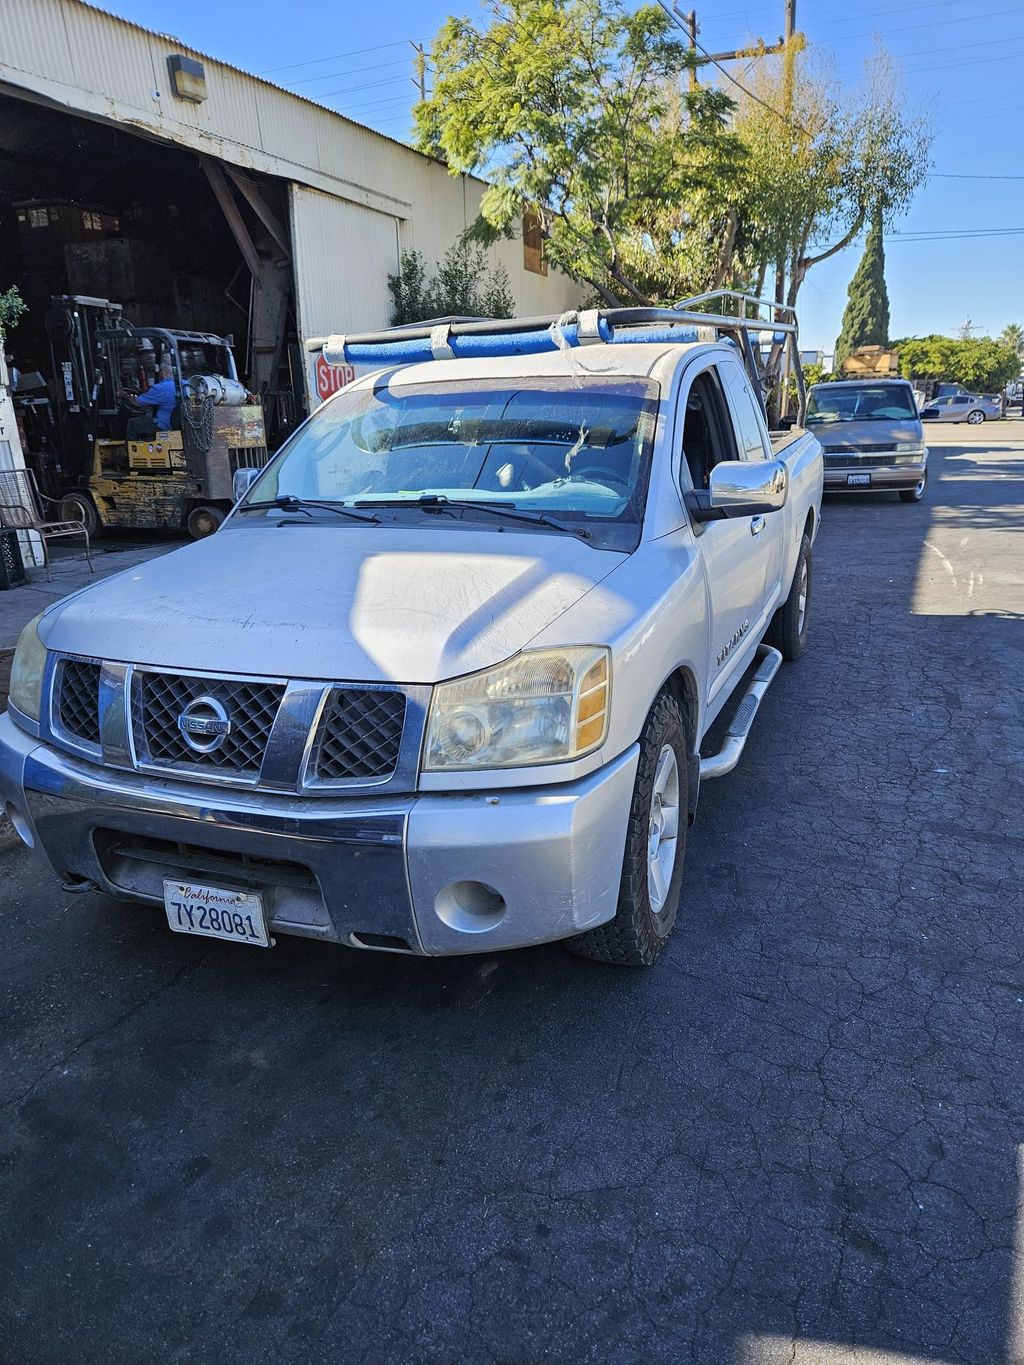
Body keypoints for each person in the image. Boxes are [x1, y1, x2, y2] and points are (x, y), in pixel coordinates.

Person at [124, 358, 178, 440]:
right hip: (180, 424)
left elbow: (136, 402)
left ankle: (130, 451)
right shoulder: (184, 384)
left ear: (164, 372)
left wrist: (124, 395)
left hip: (164, 424)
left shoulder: (160, 388)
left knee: (133, 423)